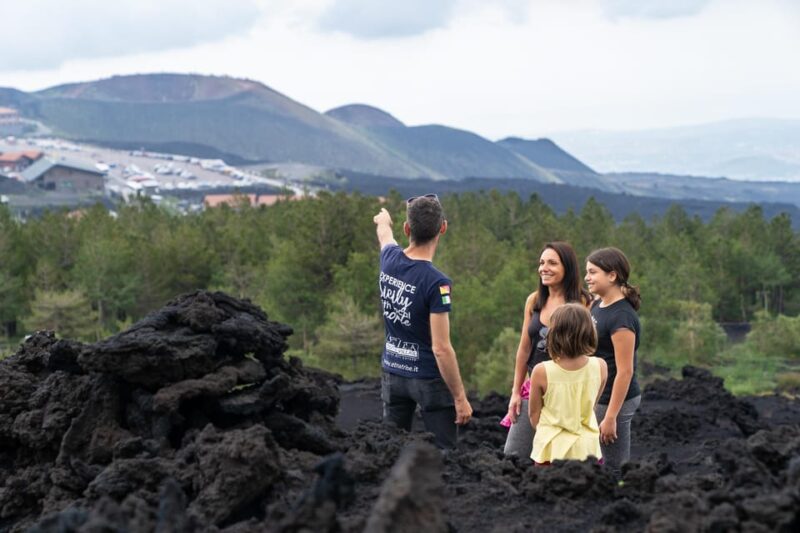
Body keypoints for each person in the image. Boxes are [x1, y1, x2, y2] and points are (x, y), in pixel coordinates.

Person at [373, 194, 472, 449]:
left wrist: (383, 219)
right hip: (427, 378)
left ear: (407, 229)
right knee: (444, 454)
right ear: (443, 227)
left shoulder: (390, 260)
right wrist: (460, 398)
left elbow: (384, 234)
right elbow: (441, 348)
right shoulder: (437, 283)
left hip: (393, 371)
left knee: (390, 450)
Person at [503, 242, 592, 458]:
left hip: (566, 392)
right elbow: (524, 348)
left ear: (567, 268)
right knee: (514, 453)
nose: (544, 268)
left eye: (552, 263)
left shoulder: (583, 302)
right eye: (542, 262)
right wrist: (515, 392)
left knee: (558, 457)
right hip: (533, 388)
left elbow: (588, 350)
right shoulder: (534, 301)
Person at [585, 247, 642, 478]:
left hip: (615, 398)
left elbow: (625, 371)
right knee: (596, 459)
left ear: (612, 275)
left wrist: (610, 417)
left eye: (592, 272)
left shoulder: (622, 317)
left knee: (613, 465)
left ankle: (621, 502)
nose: (587, 277)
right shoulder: (598, 305)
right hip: (598, 394)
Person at [528, 304, 608, 465]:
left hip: (550, 451)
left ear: (554, 334)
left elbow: (533, 415)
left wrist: (549, 431)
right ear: (589, 332)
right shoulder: (600, 366)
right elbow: (592, 405)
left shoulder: (541, 371)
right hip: (588, 450)